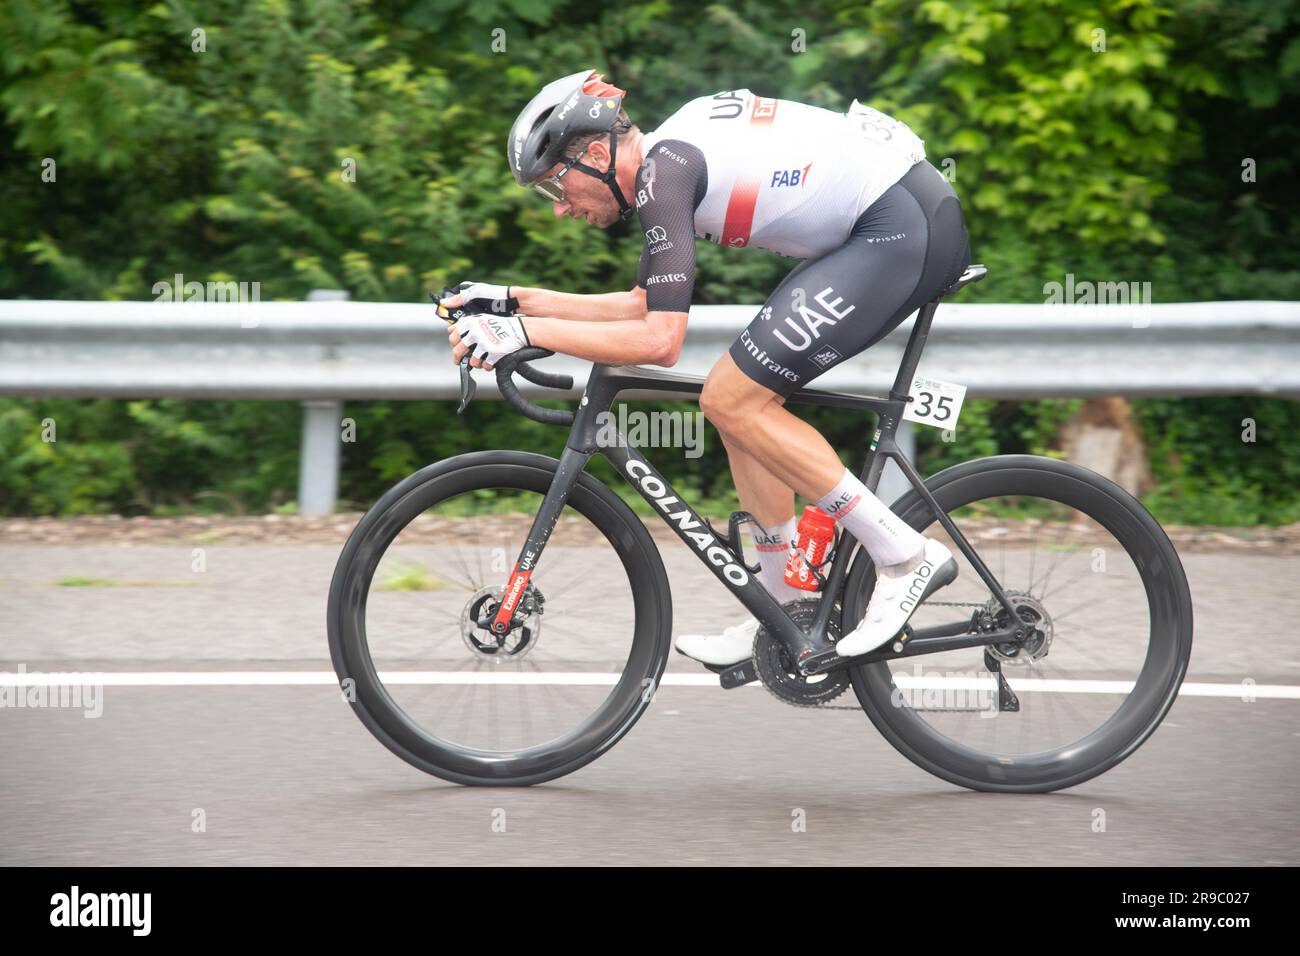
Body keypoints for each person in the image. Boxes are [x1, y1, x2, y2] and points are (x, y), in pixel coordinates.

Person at [444, 69, 969, 666]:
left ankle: (903, 553)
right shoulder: (665, 165)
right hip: (886, 223)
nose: (562, 208)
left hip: (900, 229)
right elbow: (643, 304)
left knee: (730, 398)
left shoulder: (665, 172)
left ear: (594, 153)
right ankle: (784, 612)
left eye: (556, 185)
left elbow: (660, 340)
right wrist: (513, 301)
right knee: (738, 407)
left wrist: (523, 333)